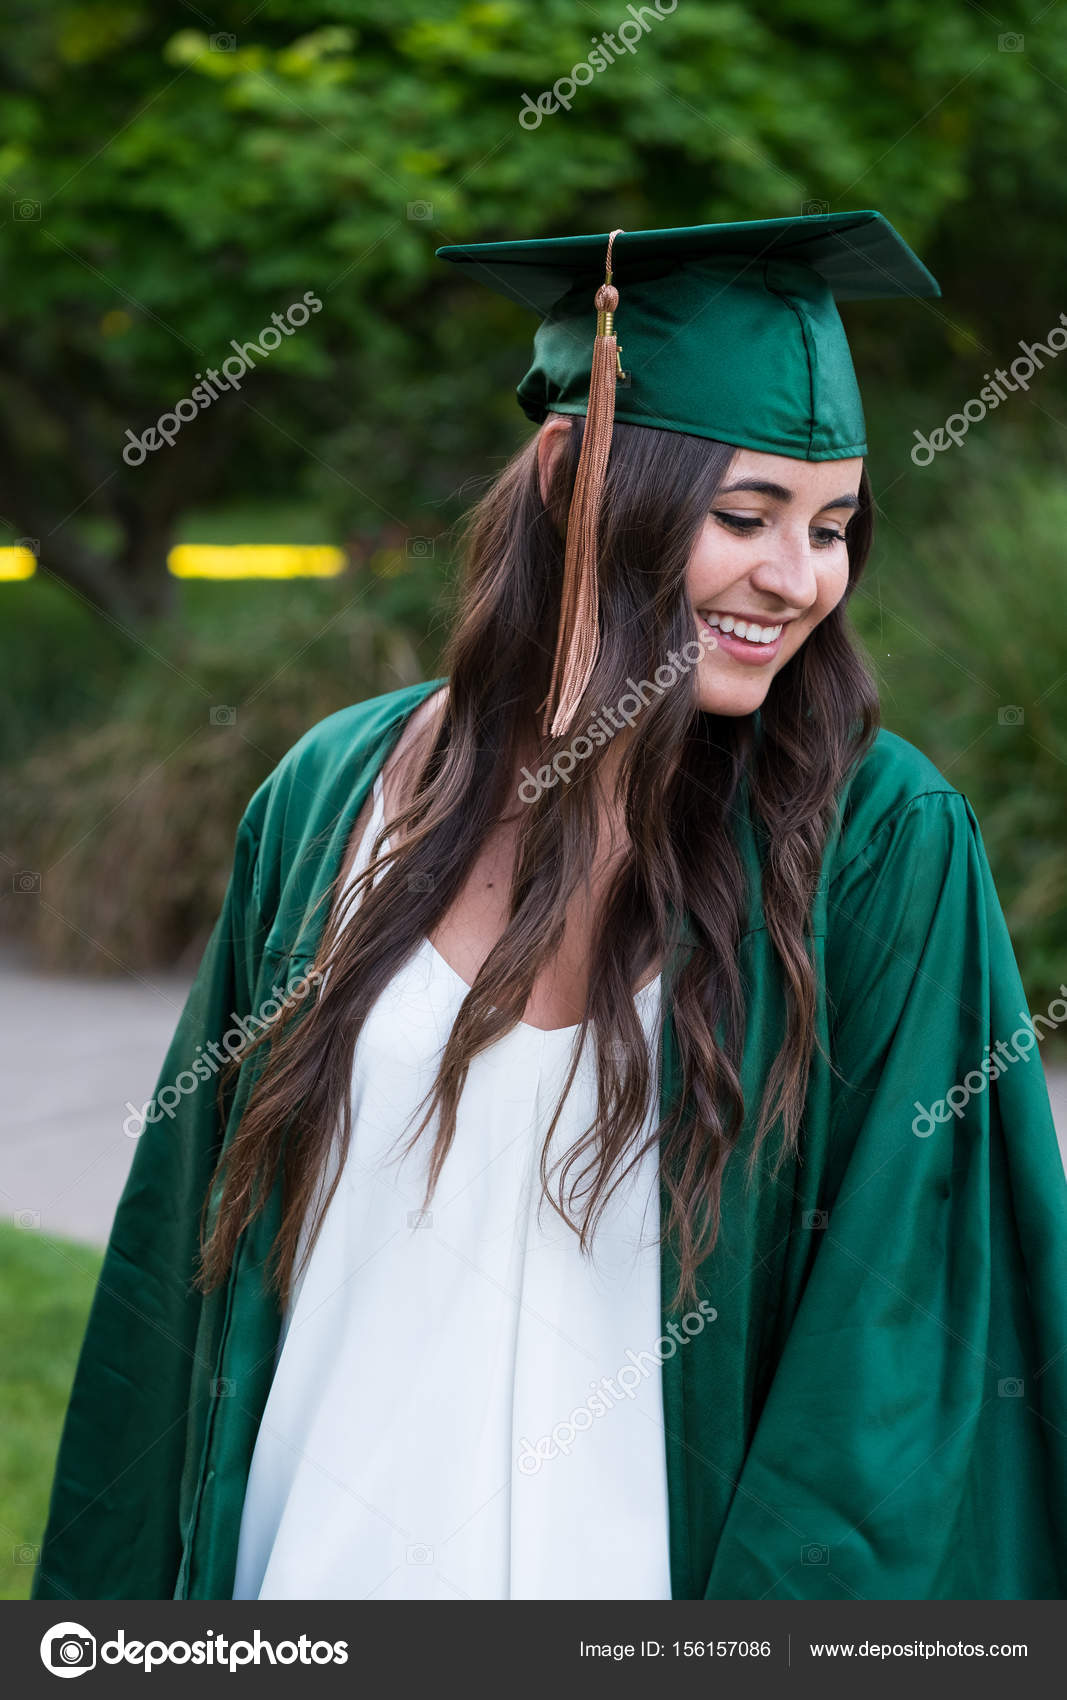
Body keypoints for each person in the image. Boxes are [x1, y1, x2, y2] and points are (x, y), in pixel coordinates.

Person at [32, 213, 1067, 1602]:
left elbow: (897, 1348)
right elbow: (179, 1266)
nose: (799, 578)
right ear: (580, 476)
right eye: (745, 516)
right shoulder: (332, 796)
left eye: (832, 527)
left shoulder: (876, 844)